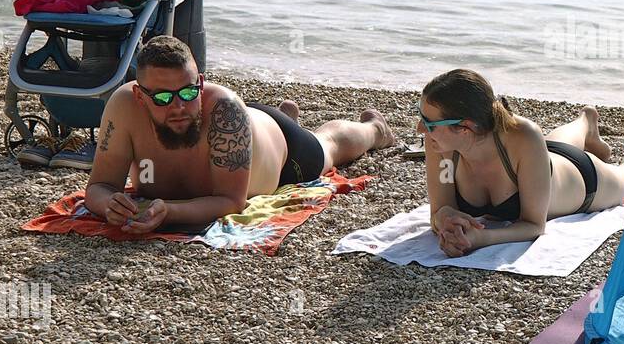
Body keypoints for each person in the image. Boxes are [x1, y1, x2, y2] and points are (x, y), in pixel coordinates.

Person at [84, 35, 395, 233]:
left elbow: (232, 201)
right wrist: (109, 204)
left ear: (202, 84)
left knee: (328, 146)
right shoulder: (125, 106)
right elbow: (99, 187)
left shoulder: (225, 112)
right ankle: (288, 115)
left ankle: (375, 128)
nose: (178, 106)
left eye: (189, 92)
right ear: (140, 97)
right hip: (252, 132)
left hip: (283, 153)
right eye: (163, 98)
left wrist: (170, 212)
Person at [418, 68, 624, 256]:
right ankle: (586, 121)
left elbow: (534, 225)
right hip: (539, 157)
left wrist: (480, 239)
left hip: (582, 179)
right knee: (550, 147)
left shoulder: (524, 135)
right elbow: (440, 209)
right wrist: (444, 218)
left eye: (429, 123)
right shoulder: (440, 143)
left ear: (465, 127)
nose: (420, 128)